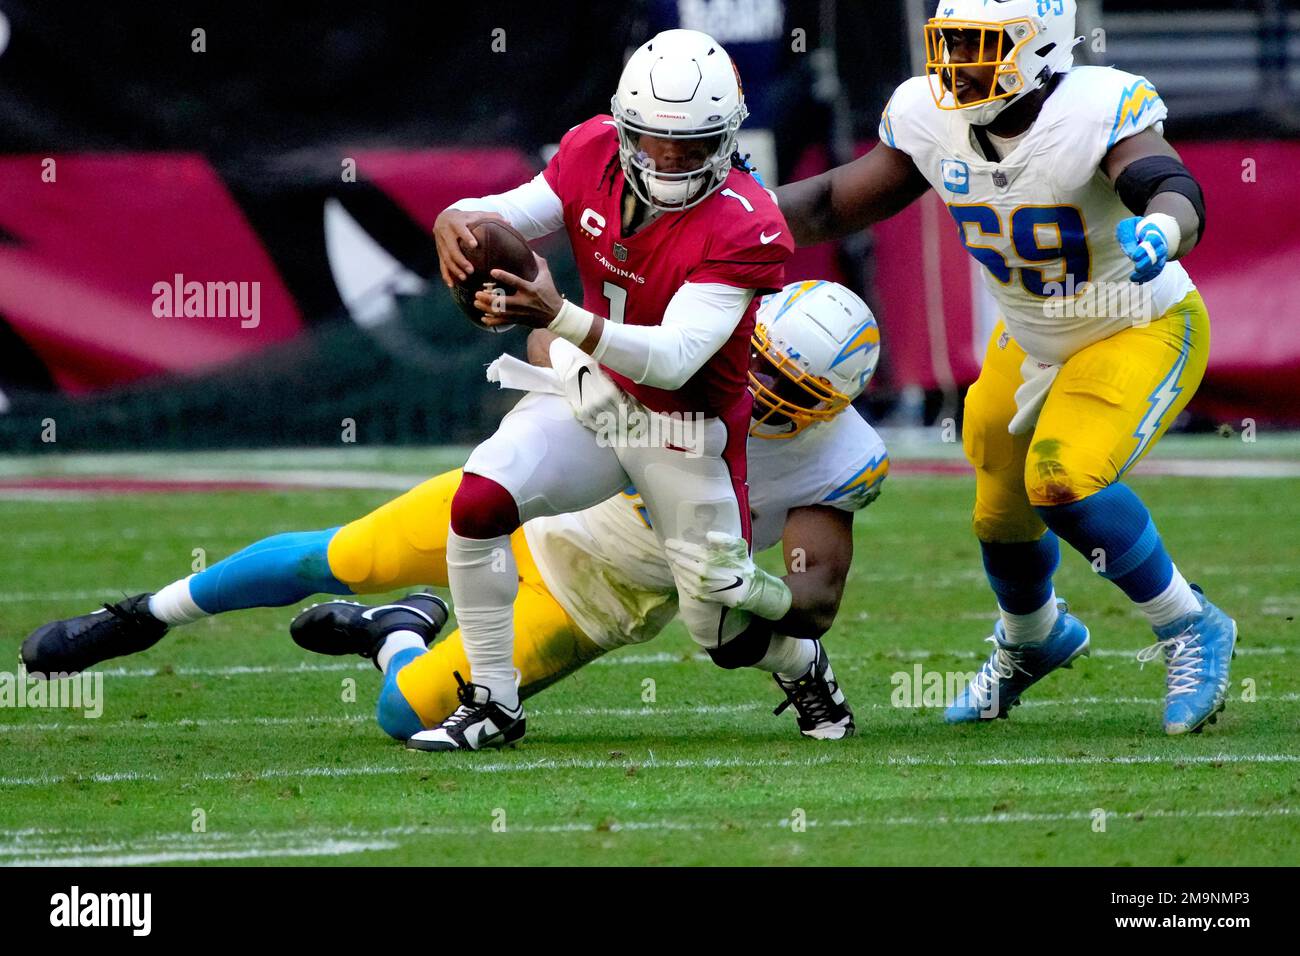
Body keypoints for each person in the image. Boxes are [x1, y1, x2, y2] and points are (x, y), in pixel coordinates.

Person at [21, 282, 888, 744]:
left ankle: (393, 632)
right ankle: (139, 616)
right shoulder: (697, 326)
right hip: (533, 502)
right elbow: (549, 339)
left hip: (597, 593)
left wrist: (757, 590)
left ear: (829, 407)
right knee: (340, 554)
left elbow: (816, 593)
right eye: (760, 362)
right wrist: (596, 382)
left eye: (791, 389)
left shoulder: (838, 459)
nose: (762, 390)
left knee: (403, 717)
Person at [775, 0, 1235, 734]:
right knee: (998, 511)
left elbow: (1167, 181)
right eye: (949, 43)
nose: (957, 62)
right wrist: (738, 218)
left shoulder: (1094, 106)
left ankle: (1189, 623)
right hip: (1029, 340)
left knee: (1062, 480)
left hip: (1137, 325)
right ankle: (1033, 638)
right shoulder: (931, 115)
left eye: (979, 45)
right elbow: (833, 203)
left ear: (1040, 46)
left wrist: (1164, 225)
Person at [422, 28, 794, 750]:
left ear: (727, 136)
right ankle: (496, 703)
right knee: (479, 501)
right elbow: (504, 212)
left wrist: (555, 314)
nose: (670, 158)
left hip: (686, 433)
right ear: (625, 128)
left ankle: (803, 662)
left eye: (692, 144)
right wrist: (454, 218)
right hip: (596, 398)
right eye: (653, 141)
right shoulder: (592, 151)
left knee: (716, 624)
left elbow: (676, 360)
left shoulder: (748, 224)